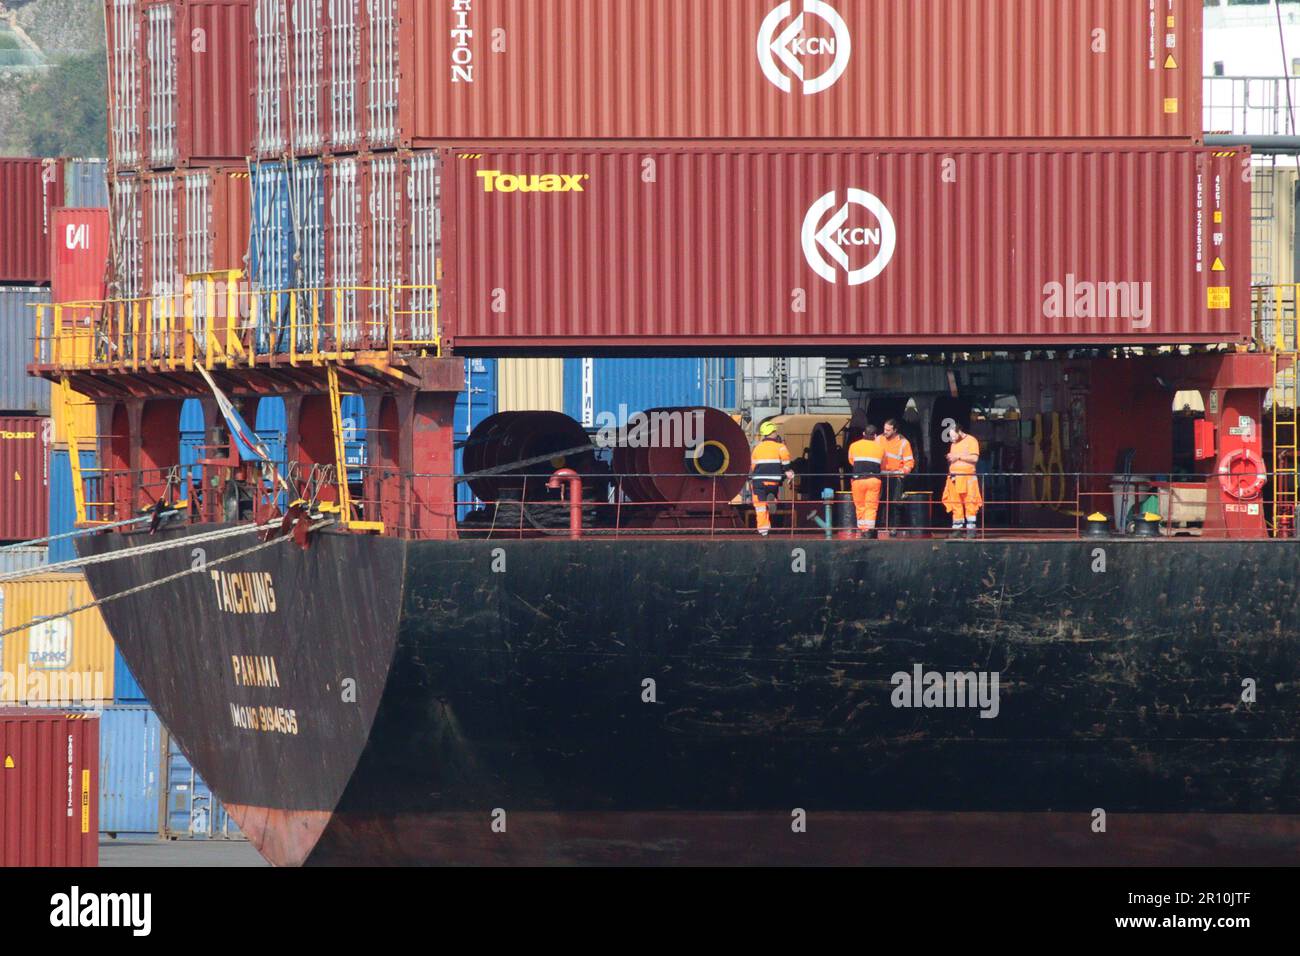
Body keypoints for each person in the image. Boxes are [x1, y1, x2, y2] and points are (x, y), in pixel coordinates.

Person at [751, 421, 794, 536]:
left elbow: (753, 466)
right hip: (774, 481)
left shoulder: (757, 448)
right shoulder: (780, 447)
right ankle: (774, 498)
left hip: (758, 482)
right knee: (772, 492)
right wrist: (786, 471)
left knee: (759, 506)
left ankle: (763, 531)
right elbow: (786, 462)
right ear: (773, 433)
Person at [942, 424, 982, 538]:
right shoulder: (954, 444)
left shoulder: (971, 441)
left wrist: (957, 457)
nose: (953, 439)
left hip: (968, 478)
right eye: (951, 437)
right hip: (954, 478)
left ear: (959, 432)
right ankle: (957, 529)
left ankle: (971, 530)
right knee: (955, 503)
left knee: (970, 502)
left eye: (954, 436)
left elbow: (975, 458)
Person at [847, 425, 885, 538]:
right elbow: (882, 465)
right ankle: (869, 531)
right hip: (874, 480)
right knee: (871, 506)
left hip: (858, 480)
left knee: (860, 505)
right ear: (875, 436)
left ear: (863, 433)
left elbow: (851, 461)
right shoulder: (880, 448)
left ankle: (862, 530)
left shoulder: (854, 446)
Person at [880, 418, 916, 532]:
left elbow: (909, 462)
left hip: (896, 477)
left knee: (895, 503)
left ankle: (894, 527)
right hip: (881, 477)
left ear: (895, 430)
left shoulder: (903, 443)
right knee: (881, 502)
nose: (885, 432)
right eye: (884, 429)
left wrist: (903, 472)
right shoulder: (879, 439)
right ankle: (881, 526)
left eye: (888, 430)